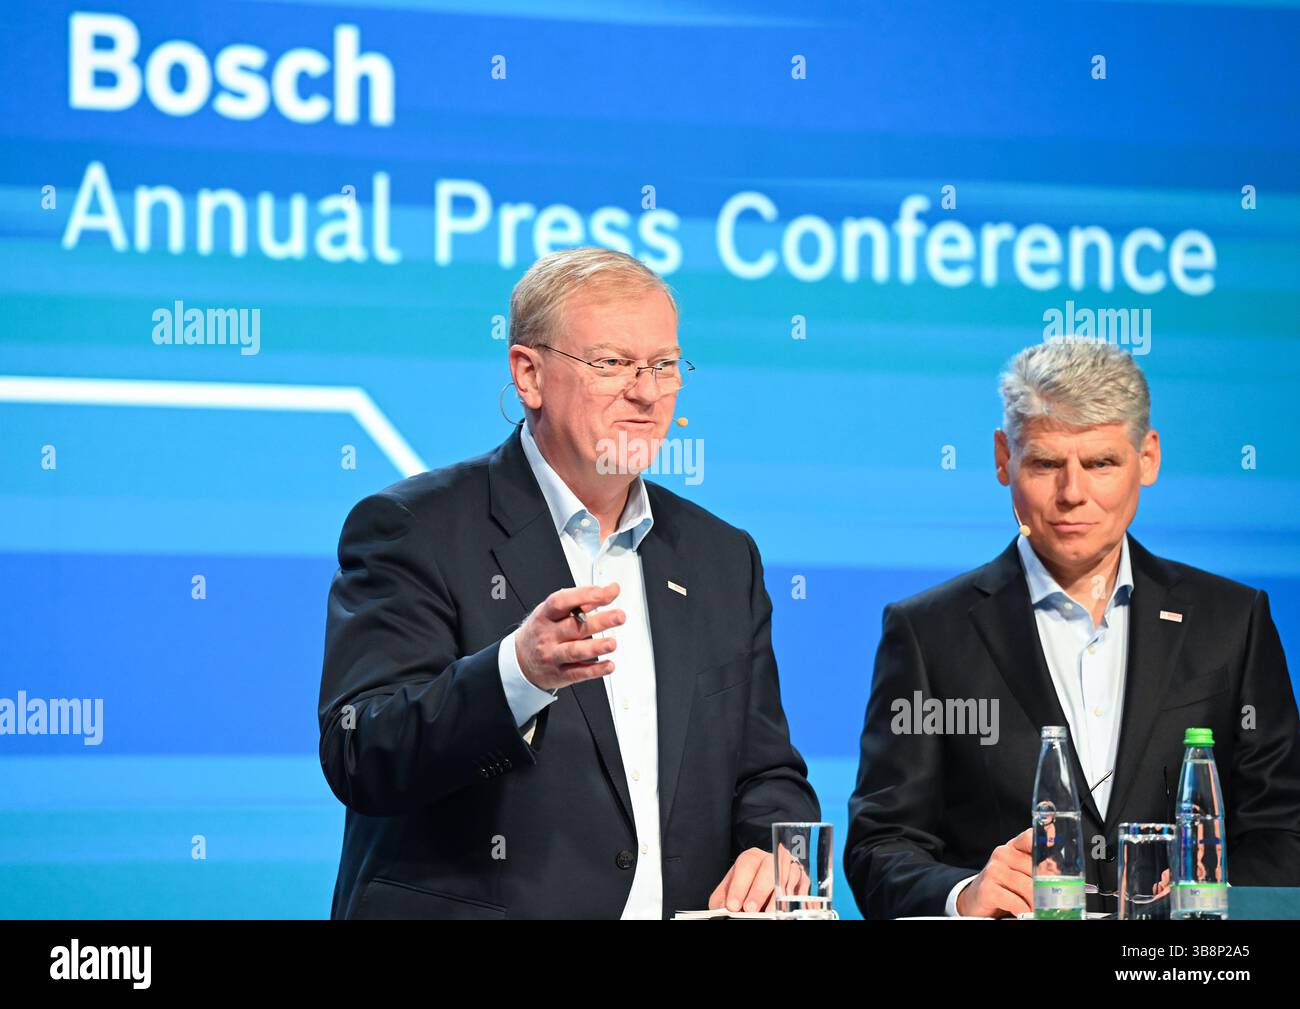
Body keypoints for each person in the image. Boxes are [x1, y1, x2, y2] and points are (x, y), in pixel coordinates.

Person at [319, 246, 818, 919]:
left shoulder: (721, 556)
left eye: (664, 365)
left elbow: (767, 773)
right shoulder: (414, 528)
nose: (646, 391)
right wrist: (515, 674)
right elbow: (362, 752)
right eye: (611, 363)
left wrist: (773, 851)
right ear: (529, 374)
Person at [845, 339, 1300, 918]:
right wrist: (965, 896)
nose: (1073, 494)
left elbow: (1283, 833)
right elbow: (881, 846)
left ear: (1148, 457)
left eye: (1101, 463)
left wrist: (1194, 918)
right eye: (1046, 463)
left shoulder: (1232, 623)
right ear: (1003, 458)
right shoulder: (927, 633)